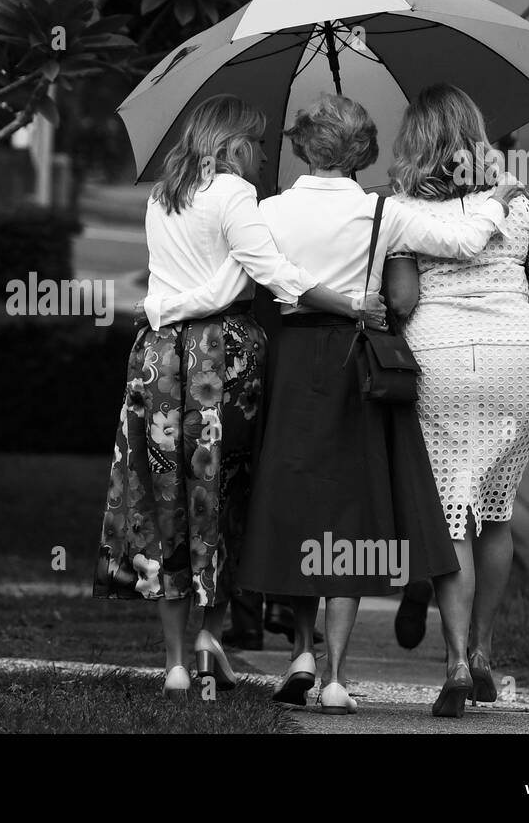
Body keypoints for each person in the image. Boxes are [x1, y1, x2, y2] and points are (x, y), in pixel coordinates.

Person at [142, 93, 526, 714]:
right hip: (356, 363)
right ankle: (337, 674)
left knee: (295, 502)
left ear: (300, 147)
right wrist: (500, 198)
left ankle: (297, 649)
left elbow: (252, 276)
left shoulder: (267, 209)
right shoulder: (383, 211)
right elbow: (460, 242)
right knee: (345, 512)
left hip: (290, 361)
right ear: (365, 151)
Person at [93, 94, 386, 701]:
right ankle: (212, 634)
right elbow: (276, 272)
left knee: (165, 497)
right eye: (253, 146)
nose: (259, 158)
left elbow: (167, 280)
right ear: (231, 146)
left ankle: (176, 661)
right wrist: (352, 304)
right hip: (219, 355)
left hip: (154, 359)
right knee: (225, 496)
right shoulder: (234, 195)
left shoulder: (163, 193)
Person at [384, 83, 529, 716]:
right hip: (521, 362)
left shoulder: (405, 211)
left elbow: (403, 300)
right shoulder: (516, 204)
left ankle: (456, 660)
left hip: (443, 366)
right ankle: (486, 651)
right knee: (497, 511)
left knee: (451, 512)